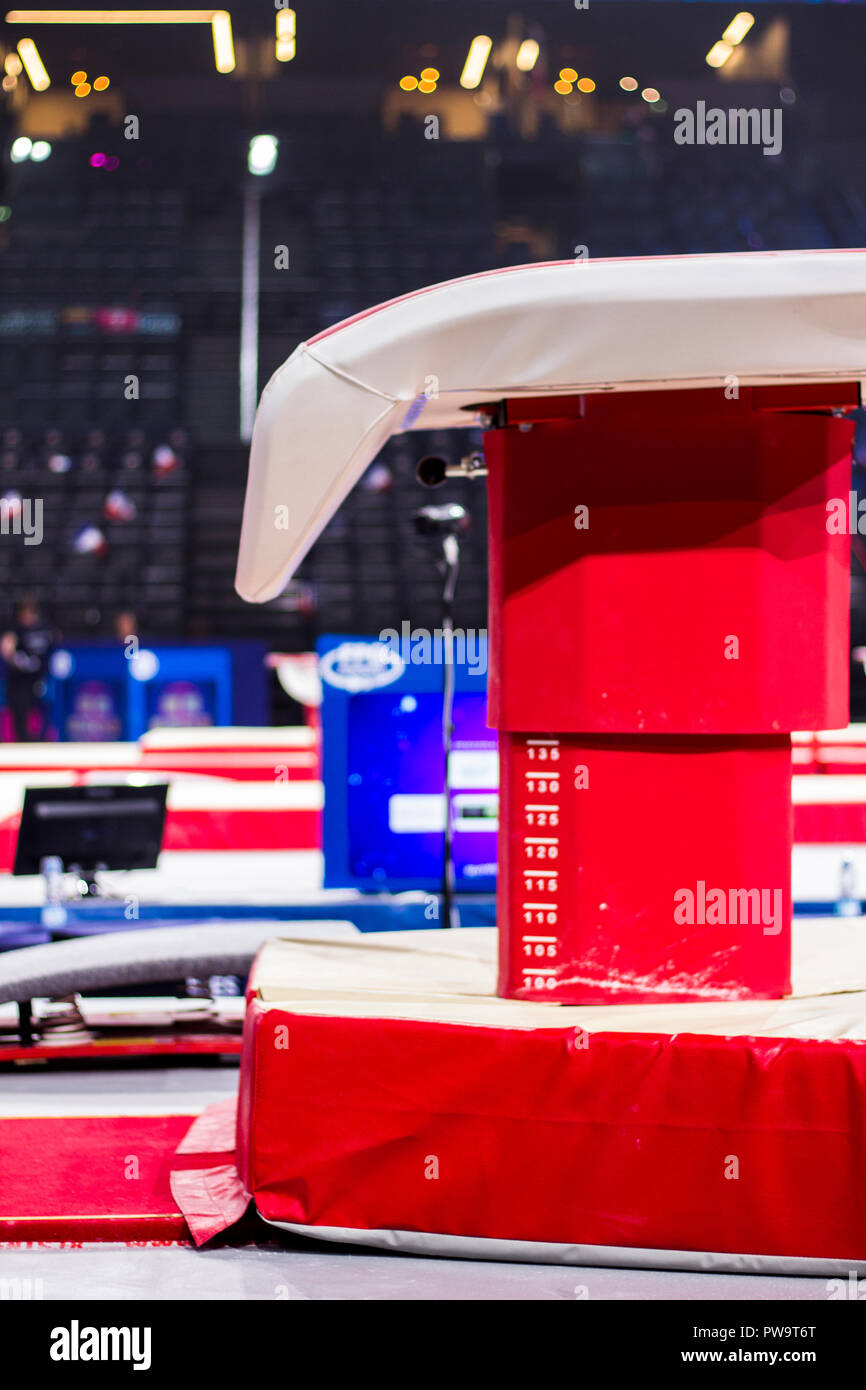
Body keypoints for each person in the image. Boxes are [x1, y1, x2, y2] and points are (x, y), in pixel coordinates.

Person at [1, 596, 56, 742]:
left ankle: (43, 738)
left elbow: (54, 643)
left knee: (44, 709)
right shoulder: (16, 629)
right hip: (19, 680)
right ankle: (22, 740)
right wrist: (17, 660)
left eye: (31, 613)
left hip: (39, 678)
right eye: (25, 613)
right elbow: (6, 648)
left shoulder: (44, 629)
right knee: (20, 711)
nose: (28, 616)